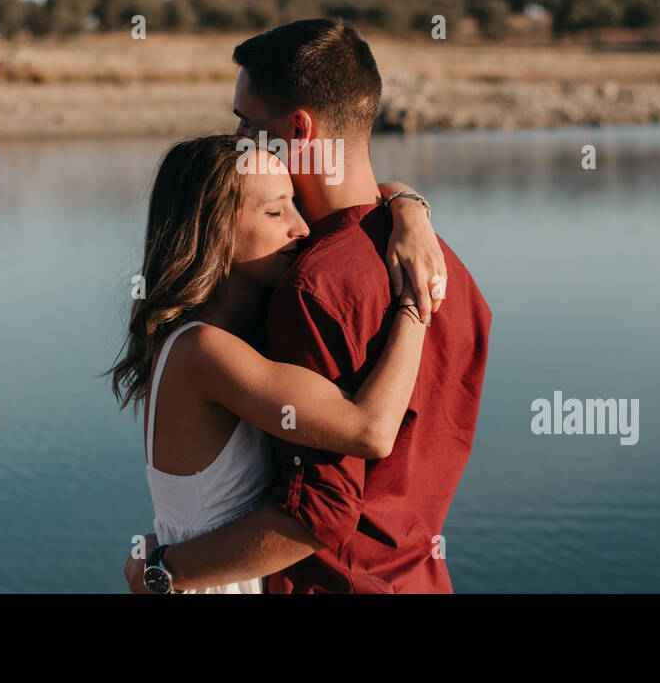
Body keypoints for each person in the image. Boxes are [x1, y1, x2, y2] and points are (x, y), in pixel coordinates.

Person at [123, 17, 492, 593]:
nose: (239, 138)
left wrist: (162, 571)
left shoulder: (310, 288)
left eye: (246, 123)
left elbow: (318, 513)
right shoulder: (448, 270)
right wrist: (408, 205)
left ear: (298, 130)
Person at [107, 135, 434, 592]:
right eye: (276, 212)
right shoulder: (201, 350)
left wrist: (410, 209)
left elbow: (373, 191)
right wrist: (417, 297)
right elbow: (370, 430)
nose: (301, 227)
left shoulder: (225, 339)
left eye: (295, 205)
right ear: (215, 229)